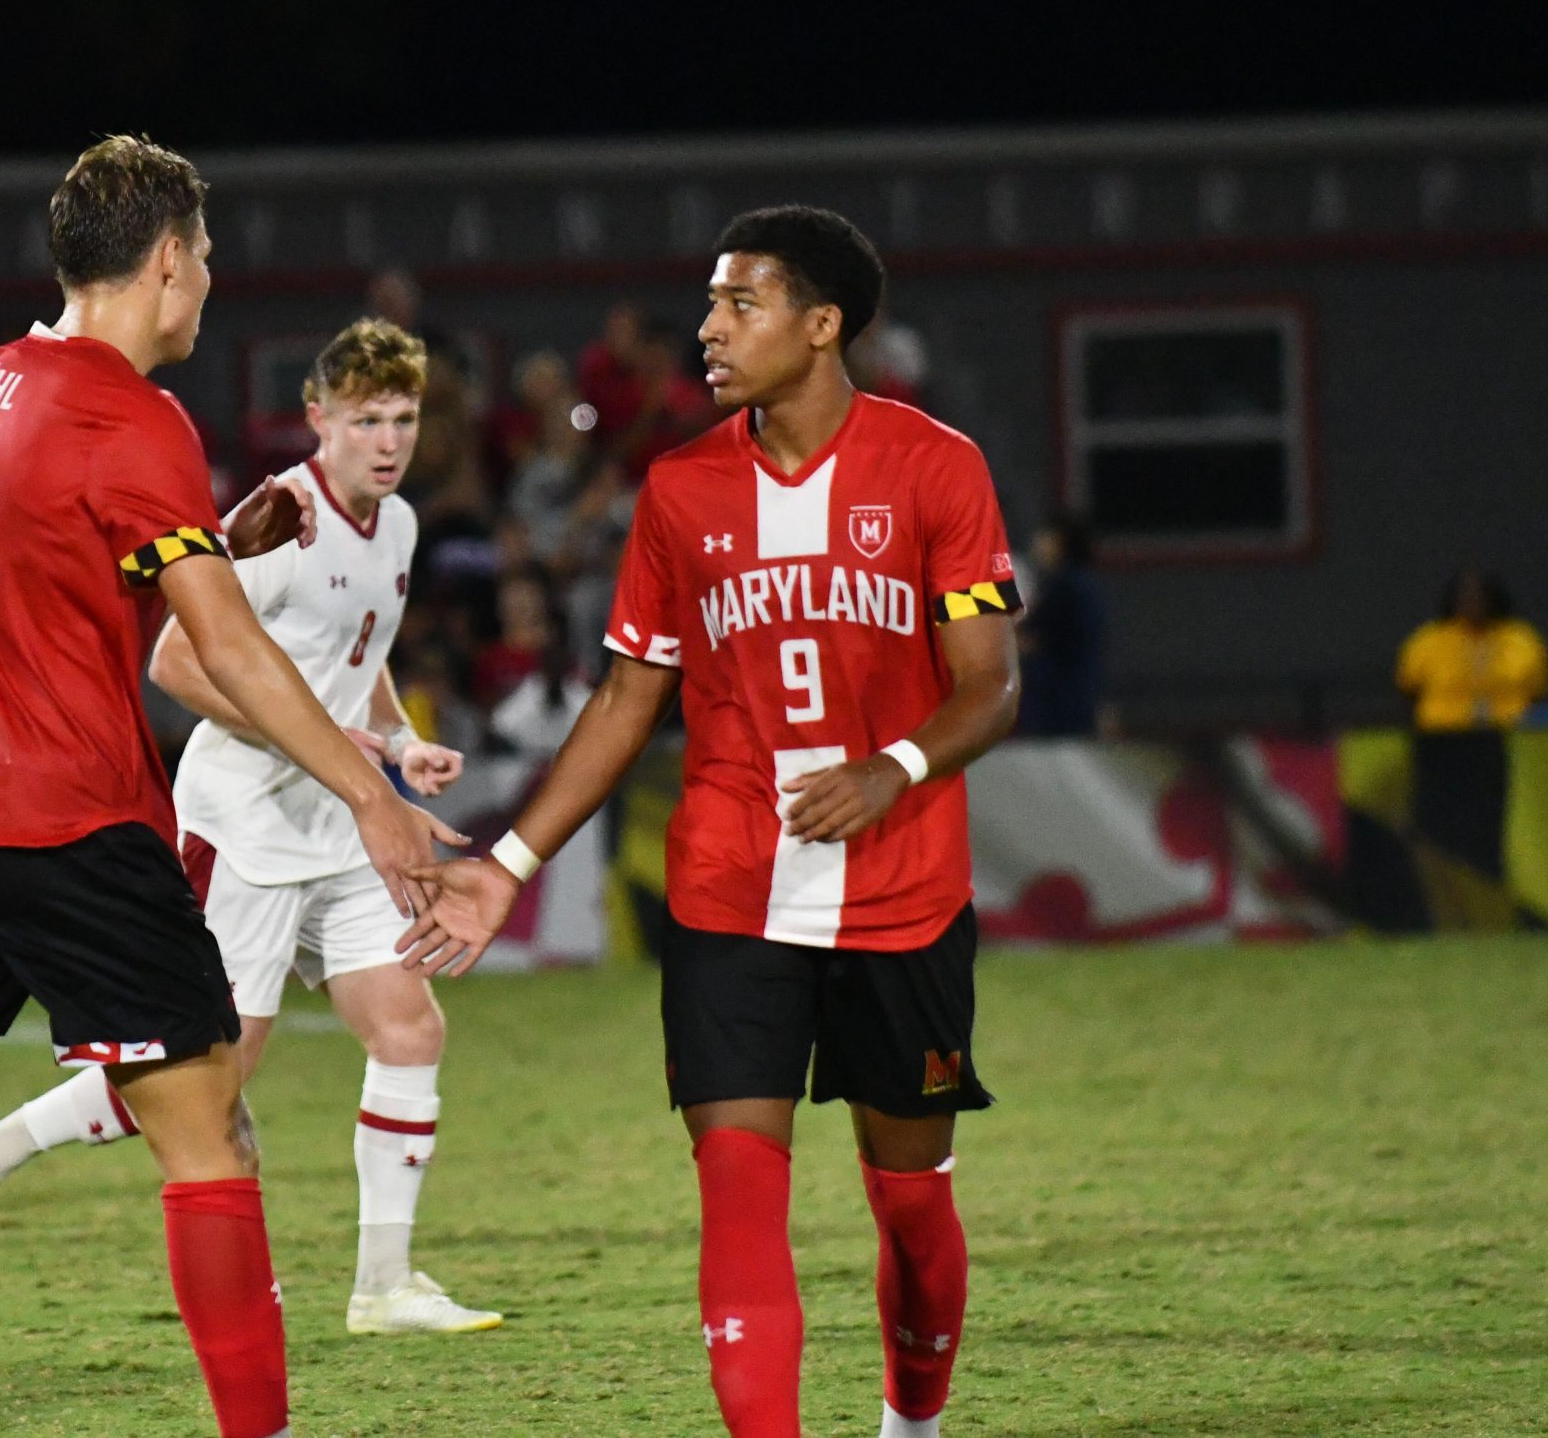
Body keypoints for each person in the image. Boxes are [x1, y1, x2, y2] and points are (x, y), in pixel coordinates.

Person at [0, 137, 463, 1438]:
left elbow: (60, 564)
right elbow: (219, 643)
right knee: (211, 1141)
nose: (210, 283)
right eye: (208, 258)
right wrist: (372, 790)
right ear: (167, 260)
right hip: (70, 821)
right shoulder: (131, 413)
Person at [401, 206, 1022, 1438]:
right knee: (737, 1191)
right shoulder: (680, 490)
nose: (708, 328)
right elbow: (629, 699)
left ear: (822, 323)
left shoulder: (934, 465)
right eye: (710, 302)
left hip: (900, 891)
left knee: (909, 1198)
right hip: (731, 886)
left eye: (741, 303)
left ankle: (914, 1422)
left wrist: (891, 768)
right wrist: (509, 863)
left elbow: (991, 684)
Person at [0, 317, 499, 1336]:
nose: (388, 440)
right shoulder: (277, 522)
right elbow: (179, 663)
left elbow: (356, 659)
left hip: (340, 826)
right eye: (366, 419)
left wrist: (397, 746)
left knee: (409, 1025)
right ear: (317, 418)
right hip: (243, 829)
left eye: (403, 419)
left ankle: (384, 1286)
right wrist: (317, 748)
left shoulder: (396, 528)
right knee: (211, 1083)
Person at [1395, 569, 1548, 731]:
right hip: (1443, 735)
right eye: (1466, 596)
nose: (1473, 601)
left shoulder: (1522, 639)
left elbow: (1538, 691)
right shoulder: (1428, 640)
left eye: (1479, 596)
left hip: (1510, 732)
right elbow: (1408, 689)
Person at [1014, 513, 1106, 737]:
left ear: (1060, 542)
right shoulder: (1082, 584)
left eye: (1045, 537)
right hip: (1076, 700)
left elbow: (1031, 636)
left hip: (1057, 705)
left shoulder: (1067, 587)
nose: (1038, 542)